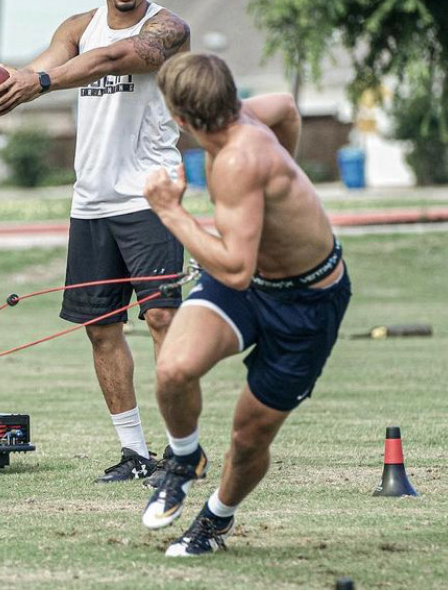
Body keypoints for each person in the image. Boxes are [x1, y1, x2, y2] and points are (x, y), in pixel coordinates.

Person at [0, 0, 190, 483]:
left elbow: (120, 57)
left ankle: (182, 451)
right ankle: (134, 453)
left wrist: (44, 81)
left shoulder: (169, 29)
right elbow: (44, 64)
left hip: (150, 195)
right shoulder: (76, 28)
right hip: (92, 199)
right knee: (101, 329)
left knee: (163, 320)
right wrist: (5, 86)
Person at [139, 52, 351, 555]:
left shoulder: (238, 158)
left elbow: (233, 266)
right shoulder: (251, 113)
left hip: (307, 302)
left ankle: (215, 520)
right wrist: (282, 184)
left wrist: (170, 211)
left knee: (249, 436)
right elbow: (287, 107)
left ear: (181, 119)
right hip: (251, 286)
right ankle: (185, 457)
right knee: (173, 370)